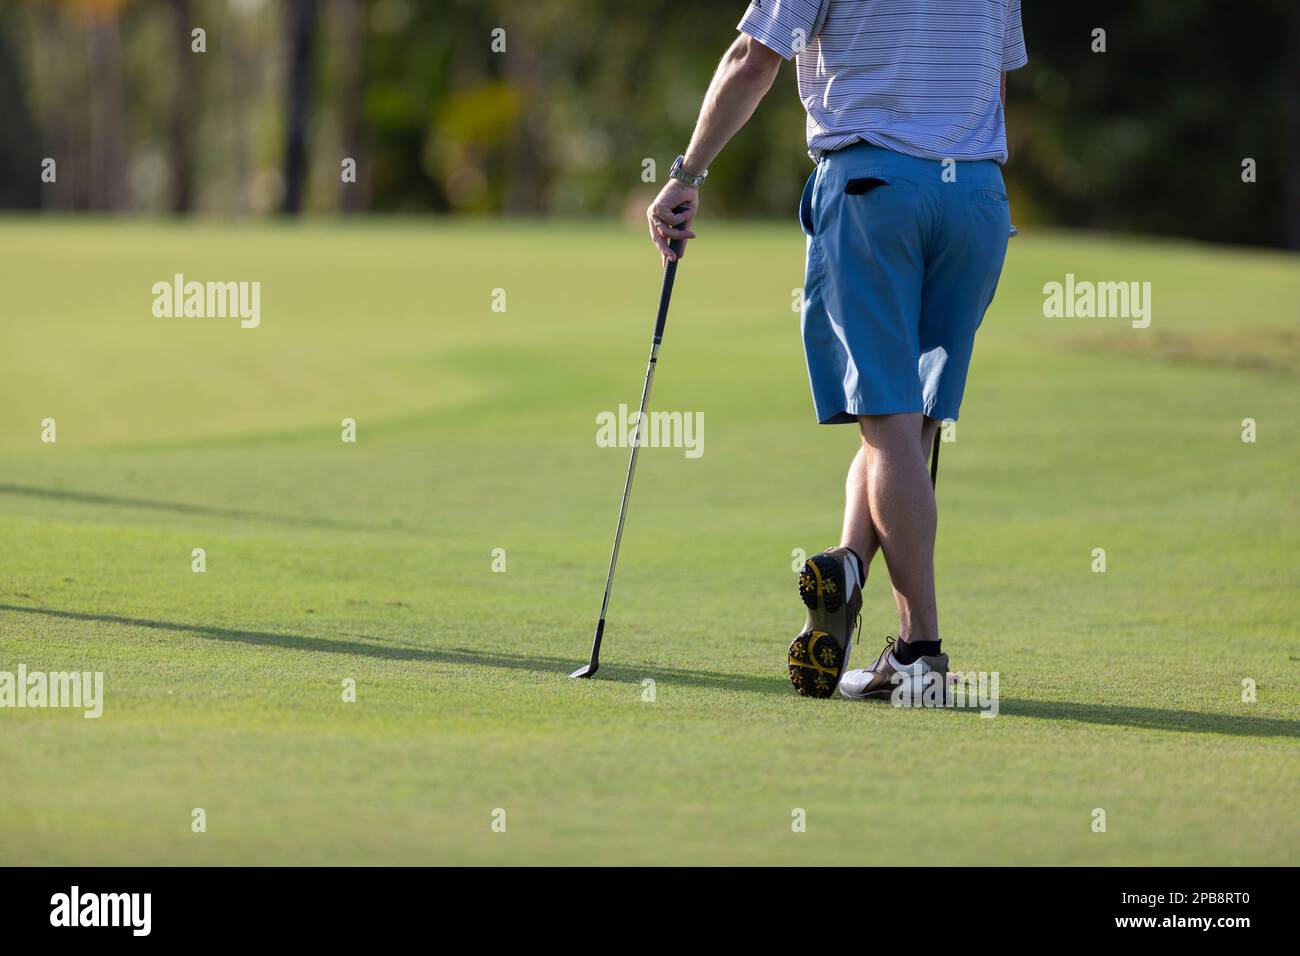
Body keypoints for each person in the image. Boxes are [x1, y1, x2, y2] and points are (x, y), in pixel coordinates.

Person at [646, 0, 1028, 700]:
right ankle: (850, 566)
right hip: (975, 194)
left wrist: (687, 174)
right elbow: (995, 83)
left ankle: (920, 655)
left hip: (875, 188)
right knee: (913, 425)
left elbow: (752, 60)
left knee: (886, 422)